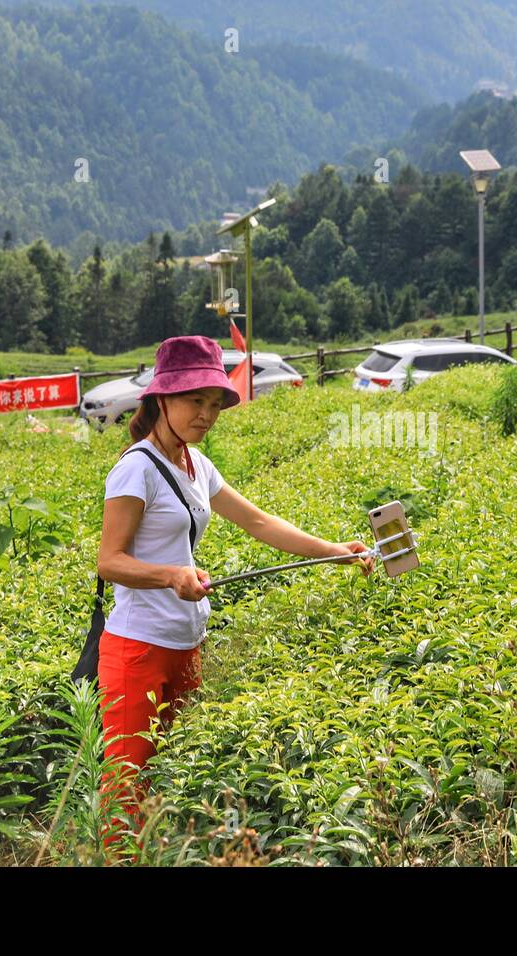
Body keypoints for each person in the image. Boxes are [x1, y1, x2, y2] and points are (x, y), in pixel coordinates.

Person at [95, 335, 374, 851]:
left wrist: (333, 551)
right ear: (162, 399)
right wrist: (171, 575)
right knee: (127, 790)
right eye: (193, 401)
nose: (206, 414)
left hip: (186, 644)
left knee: (175, 776)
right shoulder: (136, 468)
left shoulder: (197, 465)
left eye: (213, 403)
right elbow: (109, 562)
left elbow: (258, 521)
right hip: (138, 650)